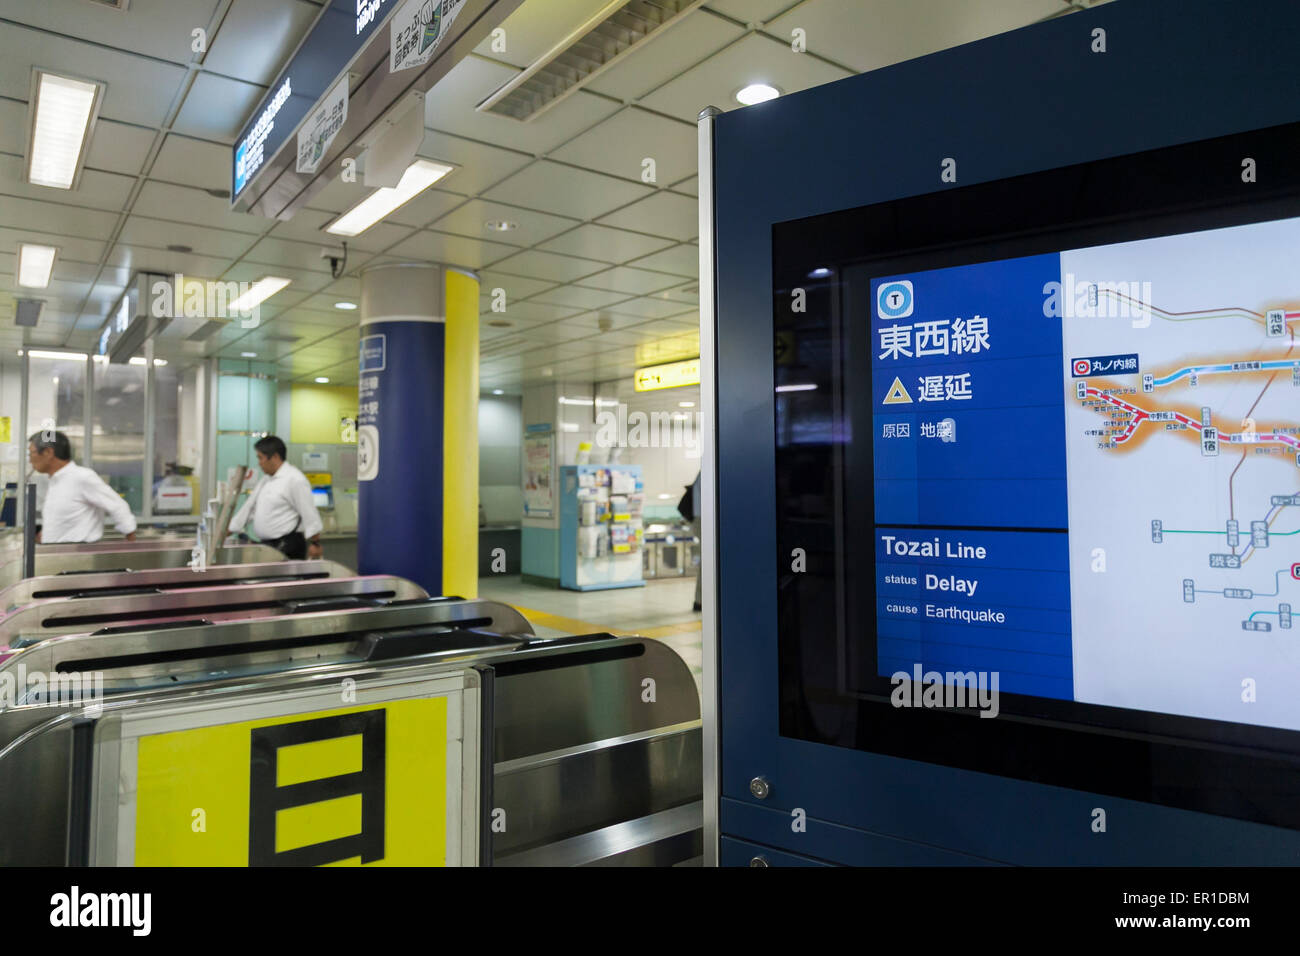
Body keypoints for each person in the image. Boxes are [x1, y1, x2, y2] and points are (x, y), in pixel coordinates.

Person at [28, 431, 137, 544]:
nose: (30, 460)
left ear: (48, 452)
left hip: (78, 556)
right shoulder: (55, 481)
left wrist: (131, 542)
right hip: (55, 553)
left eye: (31, 453)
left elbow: (118, 506)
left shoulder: (81, 477)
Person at [229, 435, 323, 560]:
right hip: (268, 546)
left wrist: (315, 544)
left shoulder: (294, 479)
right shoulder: (266, 479)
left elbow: (309, 513)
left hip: (288, 546)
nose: (259, 463)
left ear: (275, 457)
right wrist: (230, 529)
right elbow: (250, 508)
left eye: (260, 458)